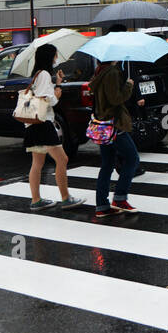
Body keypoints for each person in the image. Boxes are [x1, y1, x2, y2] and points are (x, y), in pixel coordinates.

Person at [23, 44, 85, 212]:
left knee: (37, 163)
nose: (57, 58)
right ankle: (66, 198)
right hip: (43, 124)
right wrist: (57, 94)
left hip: (33, 124)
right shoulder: (43, 74)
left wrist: (57, 83)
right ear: (49, 57)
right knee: (62, 159)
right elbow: (46, 99)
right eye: (55, 55)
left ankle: (36, 200)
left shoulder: (37, 74)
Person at [90, 60, 141, 217]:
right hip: (114, 123)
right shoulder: (112, 72)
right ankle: (119, 198)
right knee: (132, 159)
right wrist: (129, 85)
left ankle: (102, 205)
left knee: (107, 164)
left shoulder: (99, 71)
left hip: (103, 123)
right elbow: (116, 99)